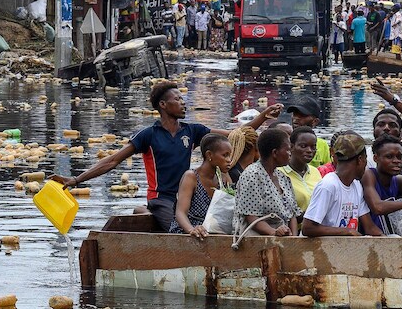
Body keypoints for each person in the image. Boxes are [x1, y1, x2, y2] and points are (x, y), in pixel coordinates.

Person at [52, 81, 282, 230]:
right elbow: (113, 160)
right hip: (161, 198)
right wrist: (76, 180)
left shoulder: (192, 131)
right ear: (163, 105)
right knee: (179, 229)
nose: (183, 102)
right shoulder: (148, 135)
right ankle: (145, 209)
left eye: (183, 99)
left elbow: (237, 135)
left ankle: (143, 211)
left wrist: (264, 116)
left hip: (188, 196)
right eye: (177, 99)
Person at [302, 133, 383, 237]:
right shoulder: (328, 186)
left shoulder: (356, 185)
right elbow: (308, 228)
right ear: (360, 160)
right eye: (365, 159)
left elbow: (370, 227)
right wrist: (347, 231)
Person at [234, 128, 299, 237]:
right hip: (258, 241)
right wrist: (274, 233)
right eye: (288, 150)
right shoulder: (252, 175)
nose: (290, 153)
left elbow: (292, 215)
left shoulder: (283, 178)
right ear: (275, 153)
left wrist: (293, 239)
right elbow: (251, 217)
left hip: (285, 240)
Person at [170, 133, 233, 238]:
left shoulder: (223, 178)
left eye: (230, 155)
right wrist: (192, 230)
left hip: (211, 232)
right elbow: (180, 213)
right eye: (225, 155)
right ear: (209, 155)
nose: (229, 160)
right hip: (187, 233)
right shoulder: (191, 177)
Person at [279, 126, 323, 214]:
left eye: (313, 147)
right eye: (303, 146)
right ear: (291, 147)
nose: (309, 150)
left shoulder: (315, 171)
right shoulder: (279, 173)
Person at [287, 94, 332, 168]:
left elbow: (328, 169)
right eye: (294, 114)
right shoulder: (283, 142)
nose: (296, 118)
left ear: (315, 122)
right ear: (292, 147)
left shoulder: (323, 146)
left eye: (302, 115)